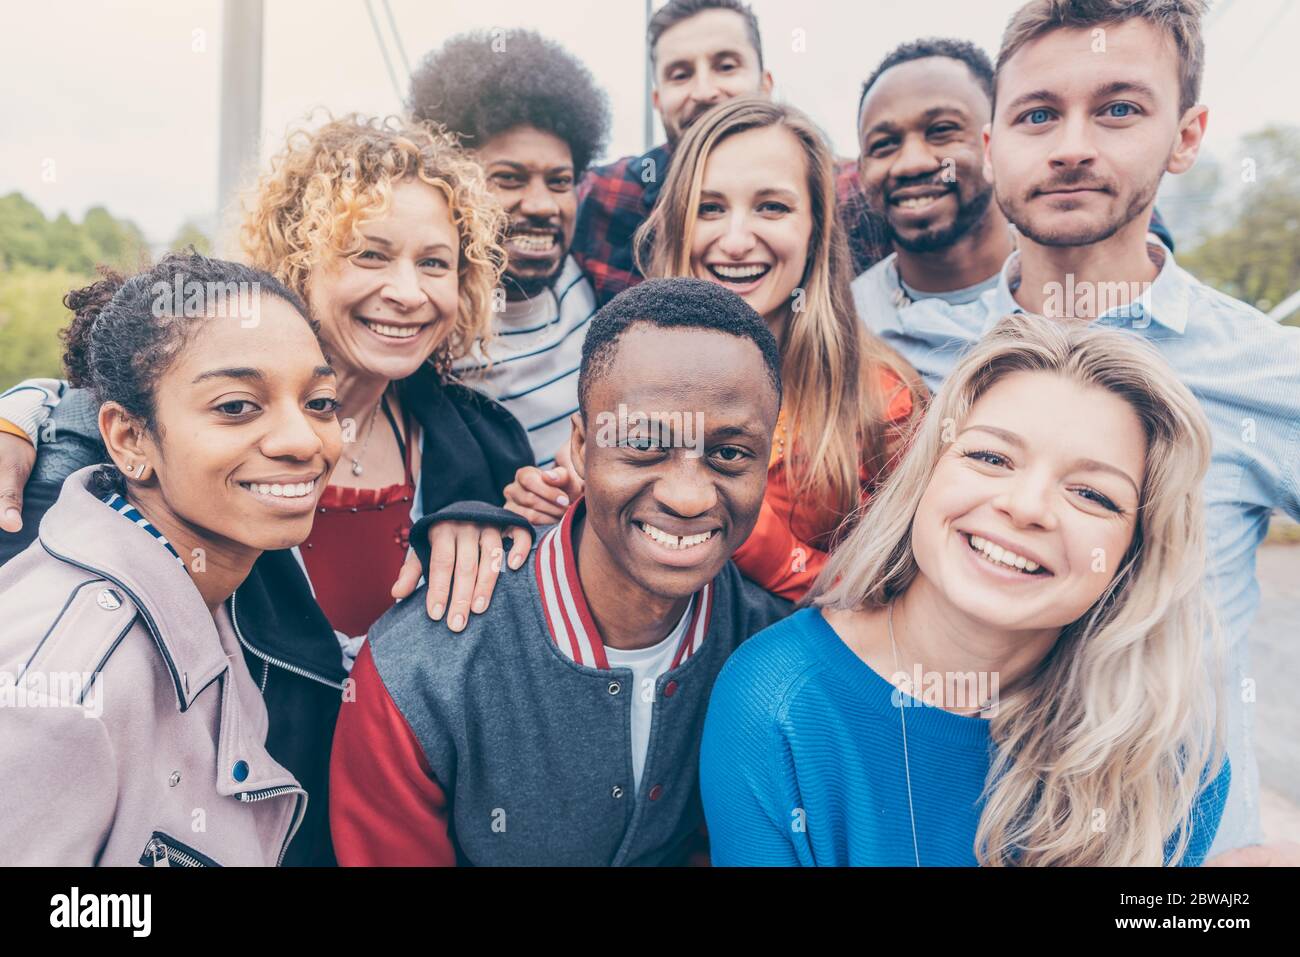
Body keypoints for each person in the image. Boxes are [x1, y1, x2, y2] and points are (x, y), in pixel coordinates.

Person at [0, 116, 534, 864]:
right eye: (371, 254)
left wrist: (515, 524)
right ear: (299, 259)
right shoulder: (77, 667)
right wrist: (18, 409)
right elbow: (97, 401)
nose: (407, 291)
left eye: (436, 263)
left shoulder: (485, 450)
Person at [863, 0, 1300, 861]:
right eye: (1037, 114)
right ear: (992, 149)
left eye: (1118, 109)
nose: (1071, 144)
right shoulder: (901, 357)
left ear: (1186, 134)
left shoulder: (1266, 372)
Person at [701, 313, 1230, 866]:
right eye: (991, 457)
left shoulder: (1171, 760)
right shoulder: (777, 703)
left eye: (1092, 494)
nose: (1025, 507)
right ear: (925, 472)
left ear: (1136, 552)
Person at [329, 279, 792, 866]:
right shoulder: (417, 672)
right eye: (643, 443)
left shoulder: (778, 658)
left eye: (729, 453)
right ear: (579, 446)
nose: (688, 496)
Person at [0, 254, 343, 865]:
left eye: (319, 402)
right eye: (237, 406)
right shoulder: (65, 691)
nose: (302, 440)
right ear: (130, 438)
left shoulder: (219, 595)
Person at [513, 98, 920, 602]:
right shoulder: (623, 368)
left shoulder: (884, 403)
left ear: (816, 228)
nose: (735, 241)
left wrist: (751, 533)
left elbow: (893, 596)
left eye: (772, 207)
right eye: (709, 208)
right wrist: (569, 511)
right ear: (677, 224)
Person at [850, 36, 1175, 352]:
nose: (911, 163)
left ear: (996, 145)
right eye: (884, 145)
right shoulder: (842, 323)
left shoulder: (1095, 301)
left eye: (942, 130)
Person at [573, 0, 890, 304]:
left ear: (766, 84)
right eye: (680, 75)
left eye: (726, 66)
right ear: (658, 100)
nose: (705, 92)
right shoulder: (605, 196)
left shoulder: (852, 192)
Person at [408, 29, 609, 468]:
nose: (541, 206)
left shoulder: (600, 278)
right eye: (509, 178)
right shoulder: (419, 331)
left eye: (559, 182)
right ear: (454, 183)